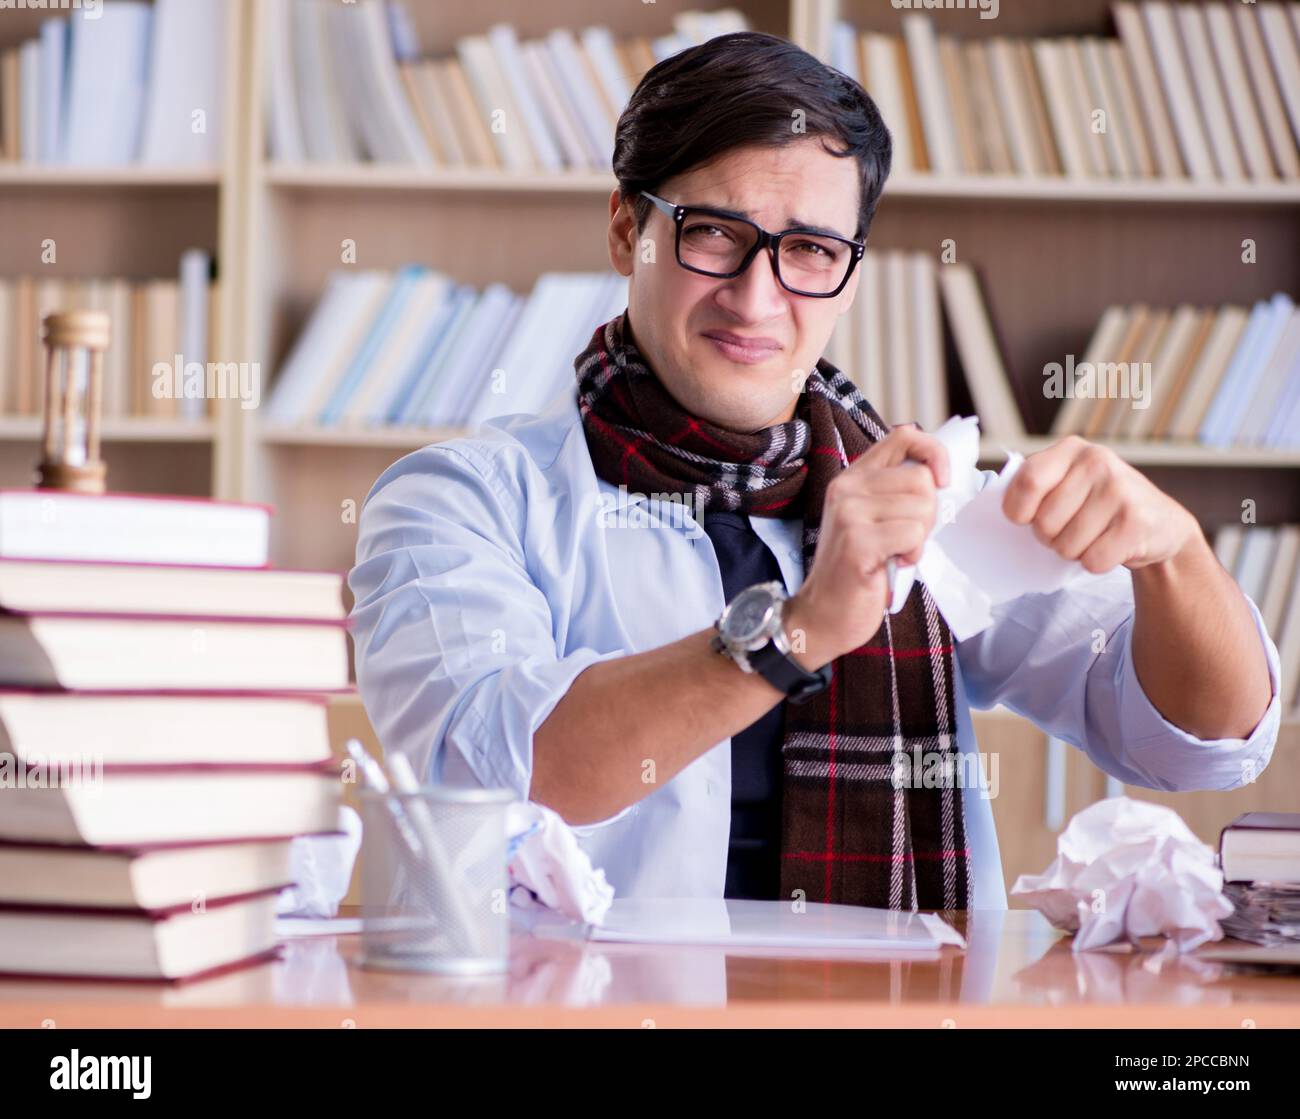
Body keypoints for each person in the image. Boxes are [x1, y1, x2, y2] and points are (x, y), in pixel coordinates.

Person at [348, 32, 1280, 911]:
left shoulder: (922, 496)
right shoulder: (458, 499)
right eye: (713, 233)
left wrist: (1175, 555)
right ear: (627, 227)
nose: (757, 297)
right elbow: (494, 772)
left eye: (808, 251)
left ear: (849, 272)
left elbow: (1199, 744)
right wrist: (793, 631)